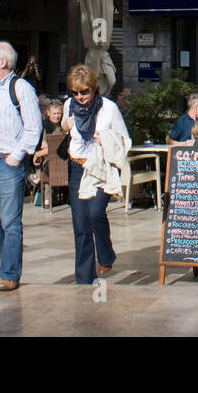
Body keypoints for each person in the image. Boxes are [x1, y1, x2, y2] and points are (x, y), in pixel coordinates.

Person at [0, 40, 42, 291]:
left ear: (2, 62)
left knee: (11, 221)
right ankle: (8, 257)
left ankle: (10, 273)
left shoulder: (21, 88)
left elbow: (33, 126)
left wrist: (16, 156)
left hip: (8, 163)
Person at [60, 63, 130, 284]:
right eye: (75, 92)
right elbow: (66, 131)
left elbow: (125, 140)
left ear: (94, 88)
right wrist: (64, 125)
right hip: (77, 167)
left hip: (102, 168)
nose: (79, 97)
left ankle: (106, 254)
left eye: (84, 91)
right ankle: (84, 278)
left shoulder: (108, 108)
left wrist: (106, 139)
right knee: (81, 226)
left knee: (95, 212)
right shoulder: (69, 105)